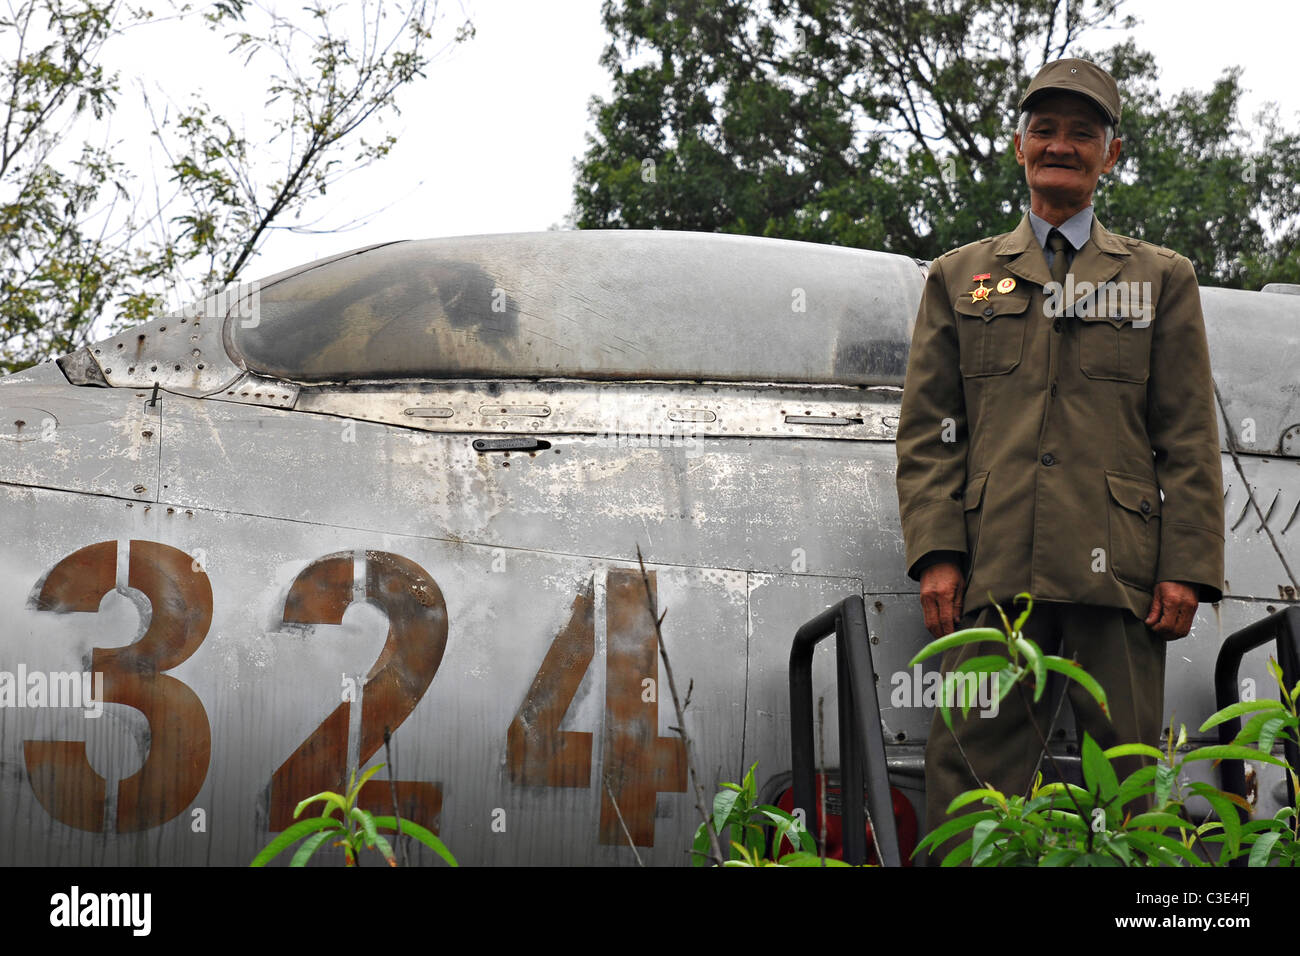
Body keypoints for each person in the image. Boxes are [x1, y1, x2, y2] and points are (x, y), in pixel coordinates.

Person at [893, 57, 1225, 864]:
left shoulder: (1161, 279)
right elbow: (930, 429)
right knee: (966, 781)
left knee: (1131, 787)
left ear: (1111, 155)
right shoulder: (960, 278)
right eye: (1044, 130)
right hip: (994, 570)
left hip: (1124, 581)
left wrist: (1186, 568)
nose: (1061, 146)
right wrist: (937, 554)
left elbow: (1187, 436)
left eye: (1083, 133)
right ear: (1020, 147)